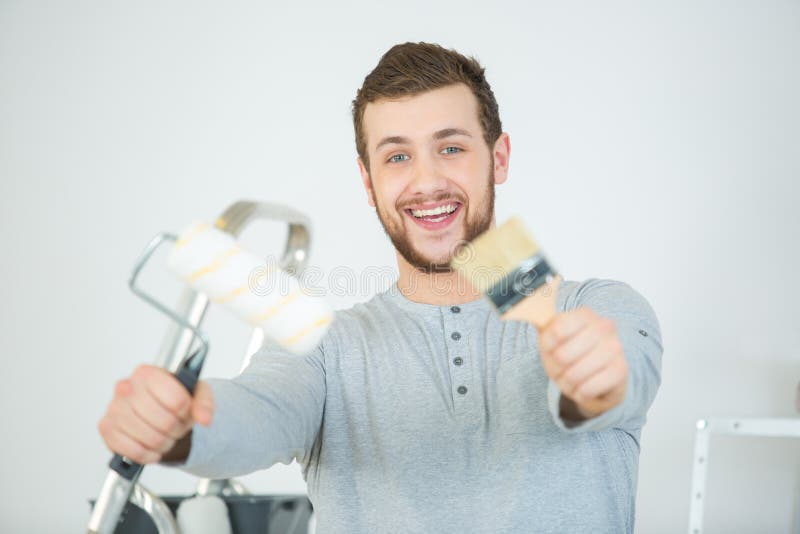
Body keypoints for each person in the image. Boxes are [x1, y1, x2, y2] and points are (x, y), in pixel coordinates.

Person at [98, 42, 663, 533]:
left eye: (451, 147)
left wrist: (594, 378)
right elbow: (259, 411)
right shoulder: (326, 345)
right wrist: (182, 424)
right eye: (397, 156)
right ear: (369, 182)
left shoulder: (600, 308)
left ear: (499, 157)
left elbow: (613, 383)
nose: (427, 182)